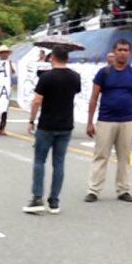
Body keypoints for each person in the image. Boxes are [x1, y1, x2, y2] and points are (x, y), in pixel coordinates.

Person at [85, 39, 132, 203]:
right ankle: (94, 190)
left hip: (128, 121)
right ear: (114, 52)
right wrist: (90, 122)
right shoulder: (103, 73)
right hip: (105, 120)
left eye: (125, 50)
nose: (122, 53)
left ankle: (123, 190)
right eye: (119, 50)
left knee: (124, 157)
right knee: (101, 156)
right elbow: (94, 98)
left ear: (130, 53)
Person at [26, 46, 81, 214]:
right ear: (67, 58)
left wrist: (31, 120)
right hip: (66, 124)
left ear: (52, 58)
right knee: (59, 163)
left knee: (39, 161)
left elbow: (37, 101)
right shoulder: (75, 77)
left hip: (47, 124)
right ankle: (54, 200)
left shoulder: (46, 77)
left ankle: (37, 197)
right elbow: (75, 92)